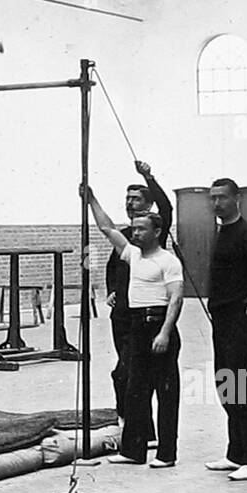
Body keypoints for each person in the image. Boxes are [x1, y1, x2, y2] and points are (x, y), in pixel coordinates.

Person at [86, 186, 184, 468]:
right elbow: (106, 228)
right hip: (137, 327)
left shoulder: (168, 261)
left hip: (159, 325)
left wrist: (165, 333)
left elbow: (176, 299)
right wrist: (91, 199)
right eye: (134, 229)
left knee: (166, 393)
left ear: (156, 232)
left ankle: (166, 454)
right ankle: (133, 450)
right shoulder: (132, 254)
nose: (135, 233)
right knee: (135, 390)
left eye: (141, 229)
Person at [205, 178, 247, 481]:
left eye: (222, 197)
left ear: (237, 199)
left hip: (239, 319)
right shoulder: (222, 232)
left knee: (244, 385)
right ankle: (236, 454)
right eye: (213, 198)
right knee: (226, 384)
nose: (217, 203)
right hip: (221, 318)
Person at [104, 160, 174, 438]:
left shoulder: (155, 232)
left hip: (144, 313)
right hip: (121, 313)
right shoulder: (124, 236)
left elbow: (167, 209)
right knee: (125, 374)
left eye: (136, 199)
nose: (130, 203)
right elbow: (113, 266)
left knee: (130, 374)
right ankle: (136, 428)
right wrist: (111, 289)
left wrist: (148, 177)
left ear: (148, 204)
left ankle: (140, 430)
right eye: (128, 199)